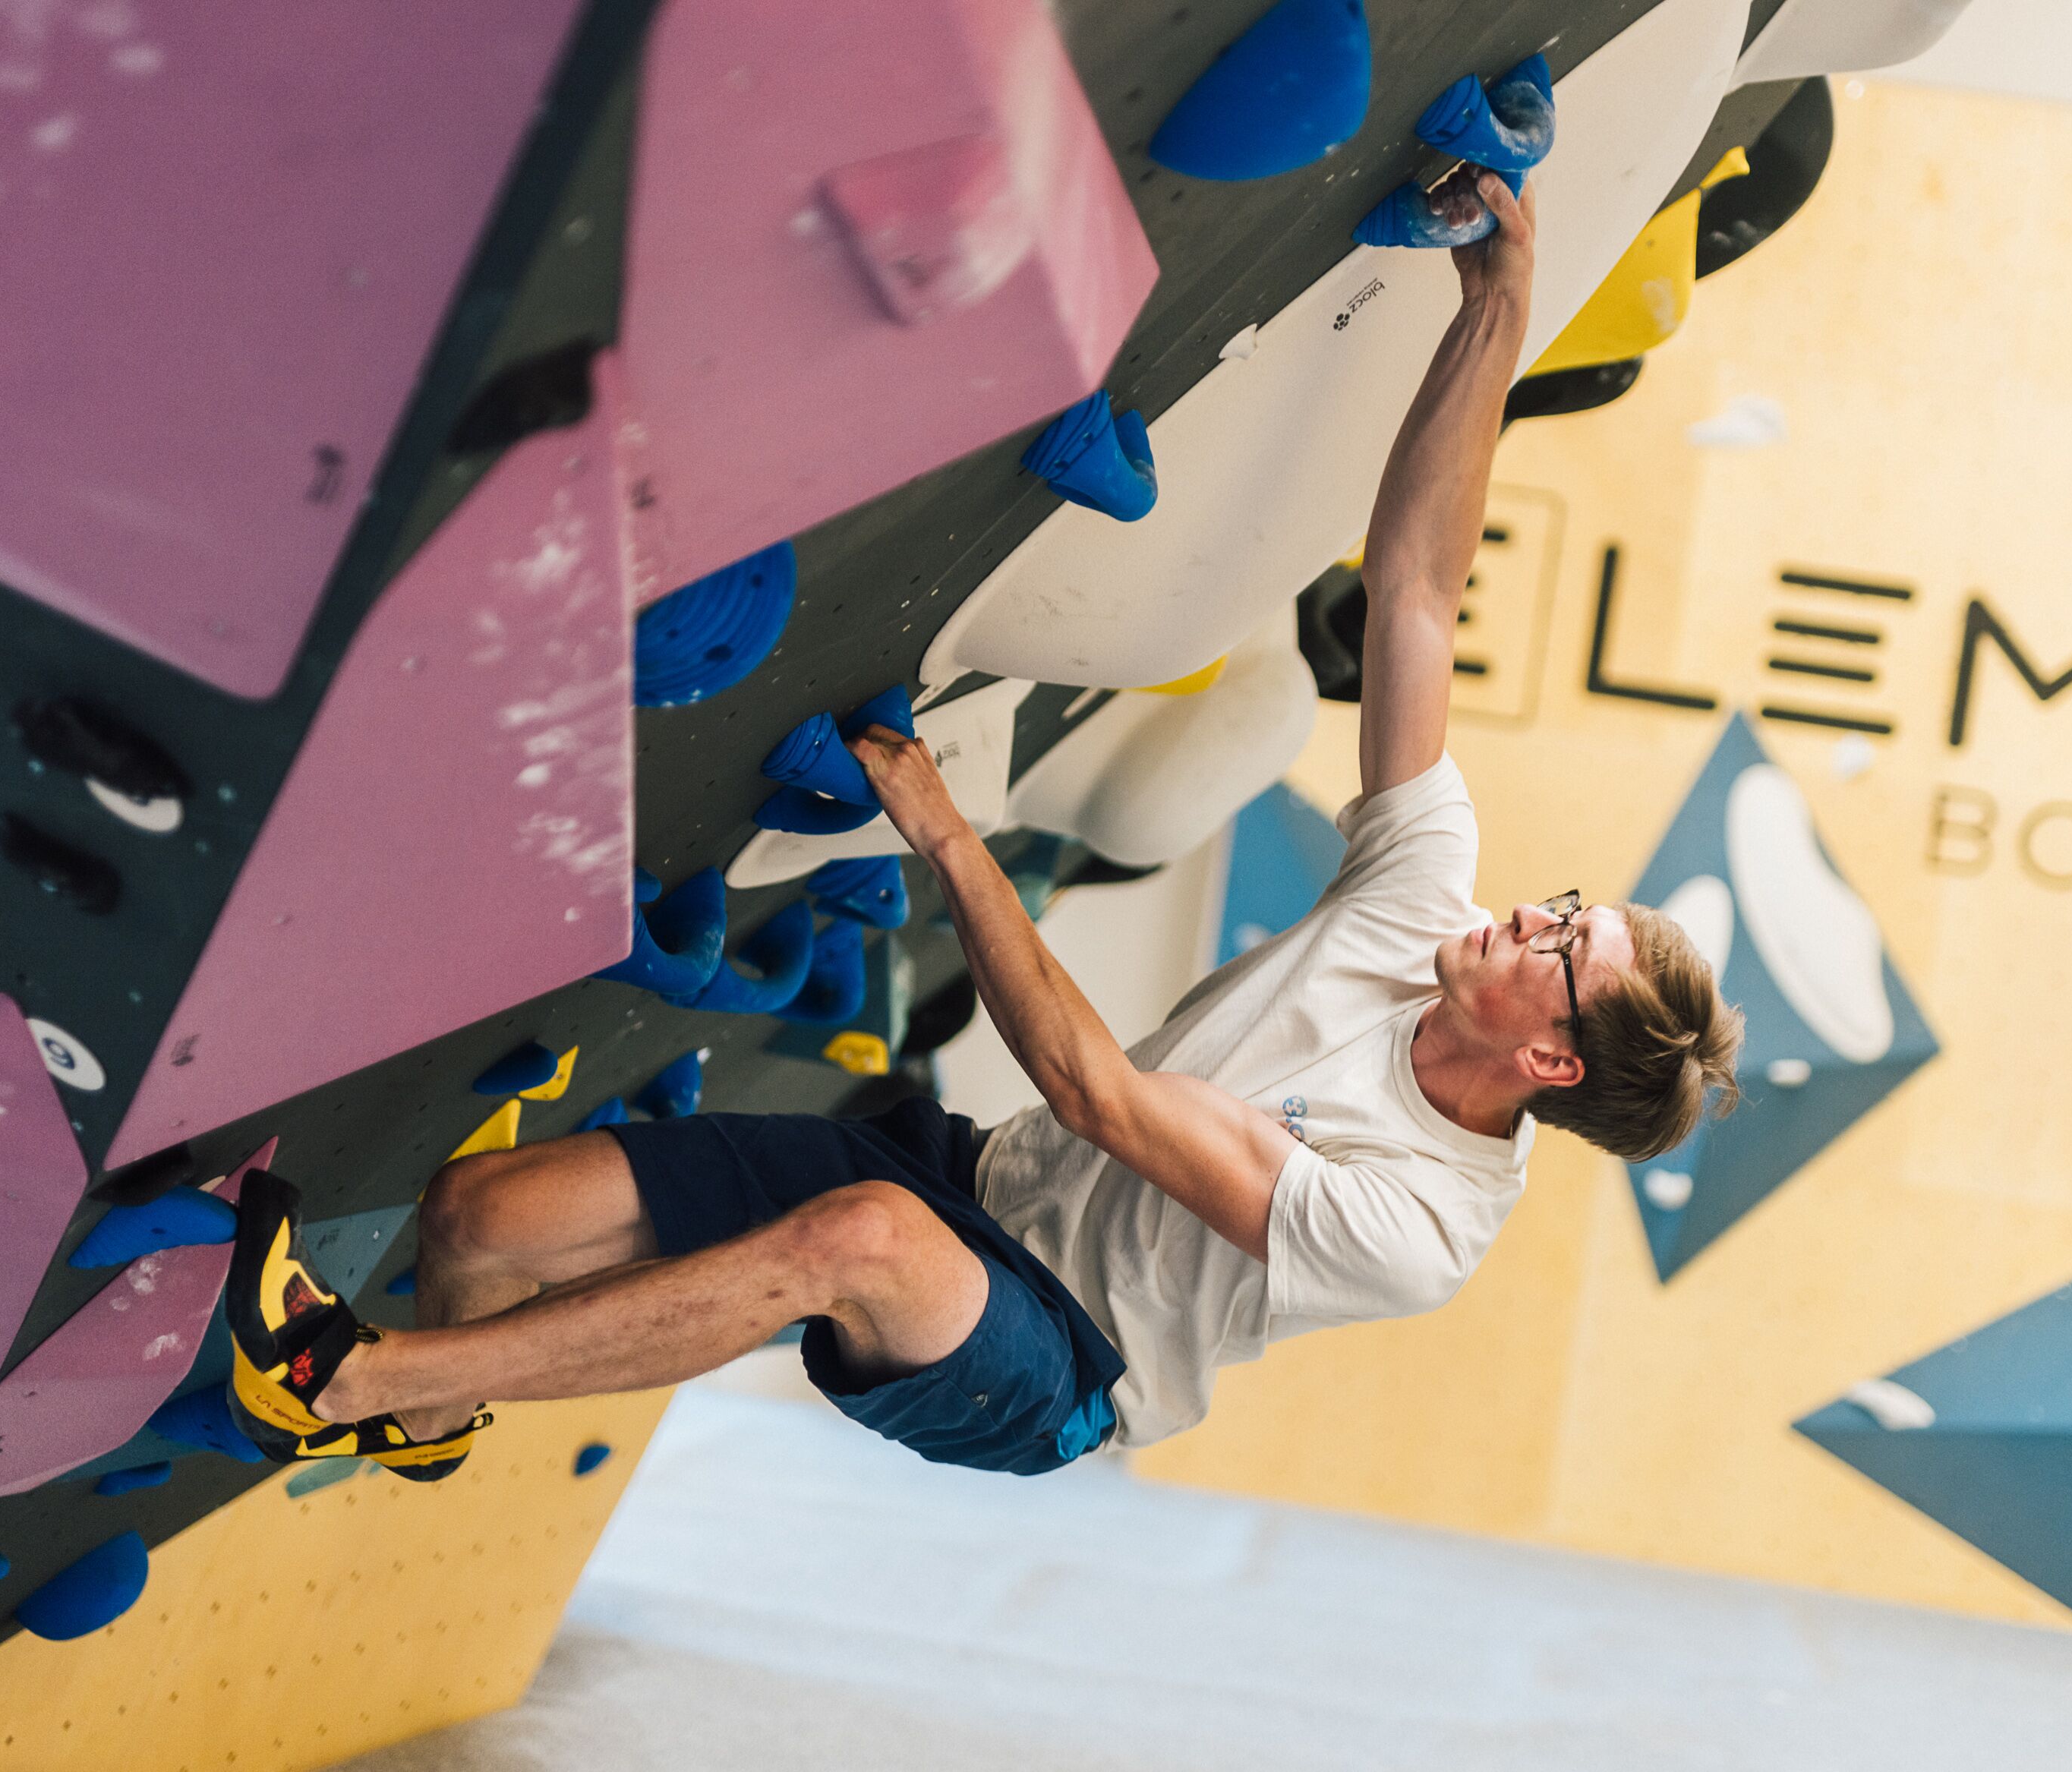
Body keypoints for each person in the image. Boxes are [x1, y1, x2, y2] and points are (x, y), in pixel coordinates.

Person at [221, 172, 1743, 1484]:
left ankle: (341, 1382)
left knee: (861, 1238)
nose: (1531, 917)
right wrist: (1502, 296)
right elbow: (1415, 594)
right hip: (978, 1180)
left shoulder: (1416, 1224)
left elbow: (1099, 1096)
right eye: (1564, 904)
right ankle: (429, 1418)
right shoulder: (1421, 903)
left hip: (1055, 1367)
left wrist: (947, 839)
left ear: (1551, 1060)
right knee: (477, 1217)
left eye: (1562, 949)